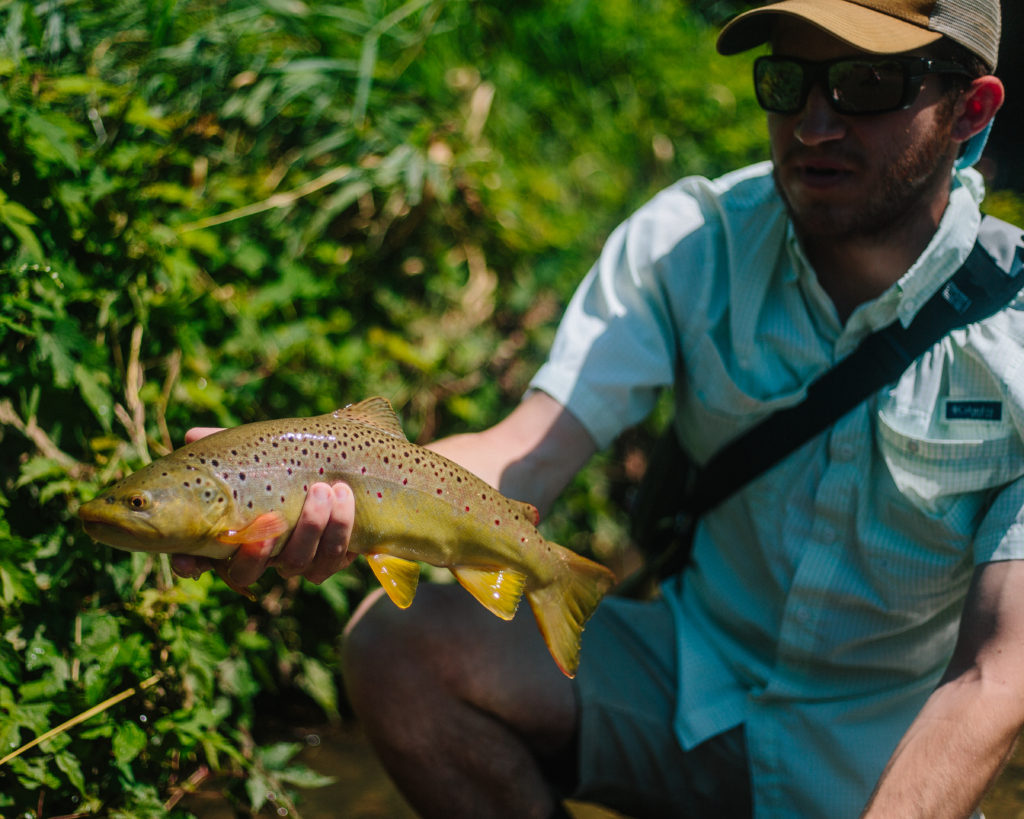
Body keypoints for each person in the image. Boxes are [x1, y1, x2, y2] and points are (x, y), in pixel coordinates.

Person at [173, 1, 1023, 816]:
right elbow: (527, 451)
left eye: (865, 86)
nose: (813, 123)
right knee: (399, 648)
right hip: (690, 687)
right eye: (787, 82)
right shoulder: (693, 243)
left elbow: (996, 675)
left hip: (877, 756)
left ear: (968, 108)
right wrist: (315, 485)